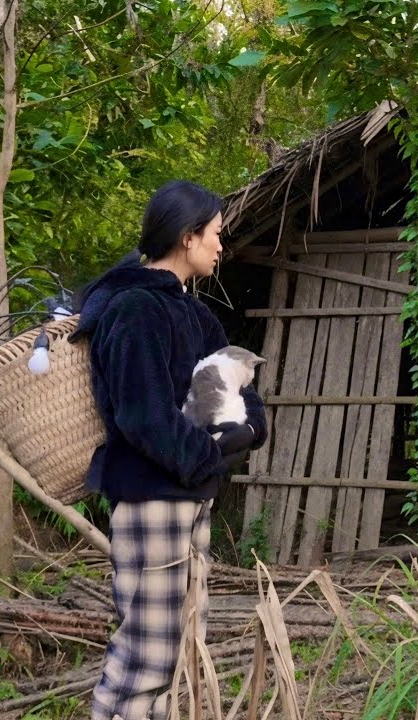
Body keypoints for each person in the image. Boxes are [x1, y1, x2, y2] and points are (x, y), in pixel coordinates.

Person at [74, 180, 268, 720]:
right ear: (187, 237)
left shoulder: (195, 315)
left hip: (189, 495)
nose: (220, 246)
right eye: (215, 234)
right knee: (147, 654)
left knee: (183, 648)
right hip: (150, 495)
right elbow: (143, 415)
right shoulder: (134, 308)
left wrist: (249, 429)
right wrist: (209, 454)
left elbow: (238, 387)